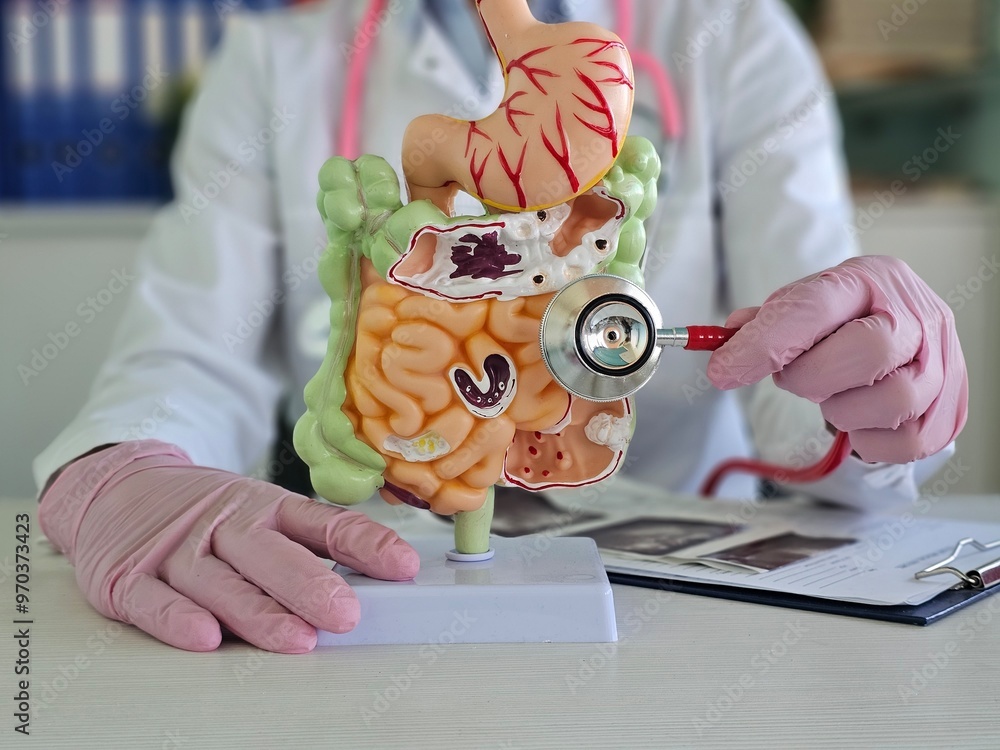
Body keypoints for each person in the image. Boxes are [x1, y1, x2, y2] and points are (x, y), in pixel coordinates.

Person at [35, 0, 968, 653]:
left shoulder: (731, 35)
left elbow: (801, 374)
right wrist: (123, 465)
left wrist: (878, 388)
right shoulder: (272, 62)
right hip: (367, 592)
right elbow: (195, 351)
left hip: (677, 626)